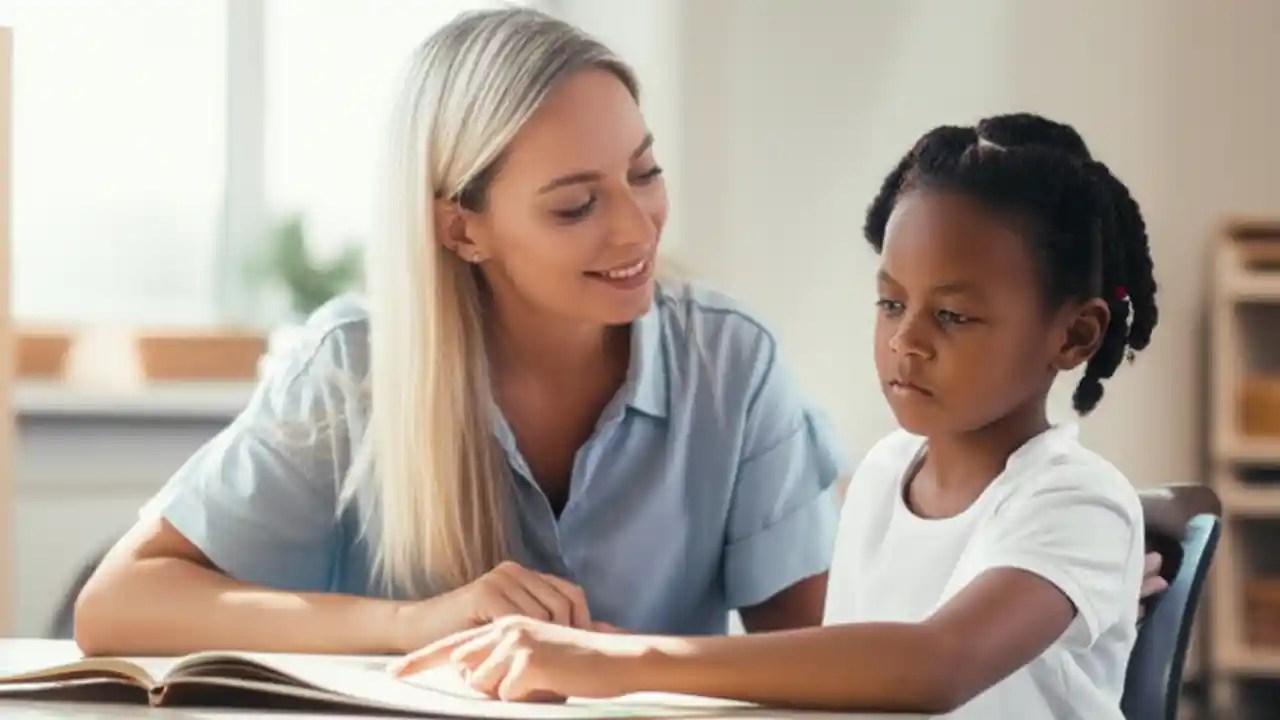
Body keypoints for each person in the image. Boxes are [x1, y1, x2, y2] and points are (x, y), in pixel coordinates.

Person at [72, 7, 846, 656]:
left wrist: (626, 666)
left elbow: (825, 657)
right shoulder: (354, 369)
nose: (636, 228)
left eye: (644, 174)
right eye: (575, 206)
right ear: (461, 229)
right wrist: (420, 623)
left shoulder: (731, 364)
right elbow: (118, 606)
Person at [392, 113, 1161, 719]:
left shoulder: (1076, 501)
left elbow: (934, 666)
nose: (906, 340)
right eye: (892, 302)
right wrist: (606, 651)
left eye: (954, 317)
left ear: (1075, 335)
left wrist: (620, 666)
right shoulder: (890, 472)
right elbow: (848, 674)